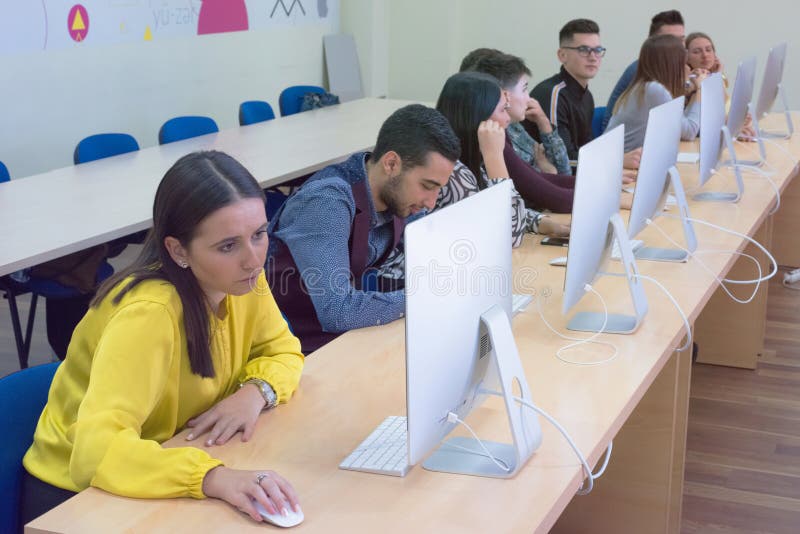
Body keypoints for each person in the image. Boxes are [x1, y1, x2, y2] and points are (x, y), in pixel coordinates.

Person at [21, 151, 305, 527]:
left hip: (165, 456)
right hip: (78, 497)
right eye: (227, 246)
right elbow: (96, 452)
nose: (253, 259)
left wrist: (255, 393)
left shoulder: (240, 282)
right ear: (177, 250)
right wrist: (211, 477)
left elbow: (284, 350)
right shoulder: (149, 314)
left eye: (259, 234)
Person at [266, 104, 460, 354]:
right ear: (391, 164)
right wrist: (423, 299)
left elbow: (429, 255)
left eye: (438, 189)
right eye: (427, 185)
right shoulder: (326, 202)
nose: (431, 203)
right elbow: (338, 309)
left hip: (340, 334)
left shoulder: (400, 197)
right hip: (293, 344)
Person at [461, 48, 572, 175]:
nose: (529, 98)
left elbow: (564, 172)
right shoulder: (492, 135)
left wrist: (544, 123)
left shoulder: (513, 125)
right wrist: (549, 172)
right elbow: (525, 187)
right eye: (524, 89)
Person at [606, 34, 705, 152]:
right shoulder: (655, 90)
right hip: (621, 165)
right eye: (682, 62)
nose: (686, 67)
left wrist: (694, 91)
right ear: (671, 64)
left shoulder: (645, 86)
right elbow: (689, 132)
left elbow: (683, 126)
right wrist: (700, 89)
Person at [601, 10, 686, 132]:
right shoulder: (643, 73)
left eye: (681, 39)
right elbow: (686, 129)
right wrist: (698, 92)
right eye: (670, 40)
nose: (679, 46)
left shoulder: (674, 69)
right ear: (654, 42)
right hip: (622, 146)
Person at [685, 31, 757, 140]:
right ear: (687, 58)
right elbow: (700, 126)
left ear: (715, 55)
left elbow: (723, 113)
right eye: (696, 52)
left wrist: (738, 120)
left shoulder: (714, 77)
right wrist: (731, 125)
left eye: (709, 50)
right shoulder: (691, 84)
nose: (705, 55)